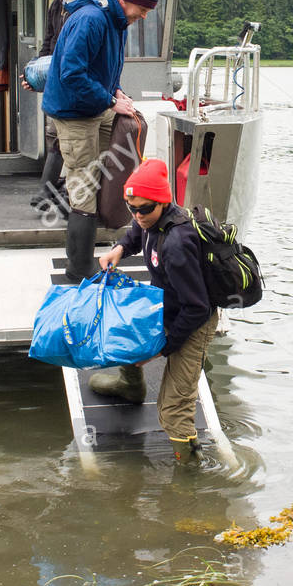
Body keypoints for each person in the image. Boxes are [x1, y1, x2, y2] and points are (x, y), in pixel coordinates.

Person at [94, 159, 218, 462]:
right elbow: (137, 231)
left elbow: (197, 307)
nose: (137, 215)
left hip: (194, 319)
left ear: (162, 202)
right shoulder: (150, 219)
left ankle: (189, 476)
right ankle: (129, 386)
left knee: (173, 409)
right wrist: (120, 249)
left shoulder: (176, 245)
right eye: (130, 207)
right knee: (127, 327)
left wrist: (162, 348)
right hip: (170, 302)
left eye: (144, 209)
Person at [42, 0, 159, 282]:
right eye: (144, 9)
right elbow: (72, 73)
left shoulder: (119, 20)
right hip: (73, 111)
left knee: (115, 154)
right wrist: (110, 102)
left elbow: (106, 68)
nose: (145, 16)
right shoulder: (92, 20)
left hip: (94, 106)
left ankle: (106, 220)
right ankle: (78, 266)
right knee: (83, 180)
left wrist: (116, 90)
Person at [28, 0, 84, 215]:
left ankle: (51, 191)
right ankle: (47, 190)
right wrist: (37, 73)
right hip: (56, 77)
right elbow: (49, 42)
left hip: (76, 78)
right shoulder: (56, 4)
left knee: (67, 135)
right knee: (54, 133)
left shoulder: (86, 5)